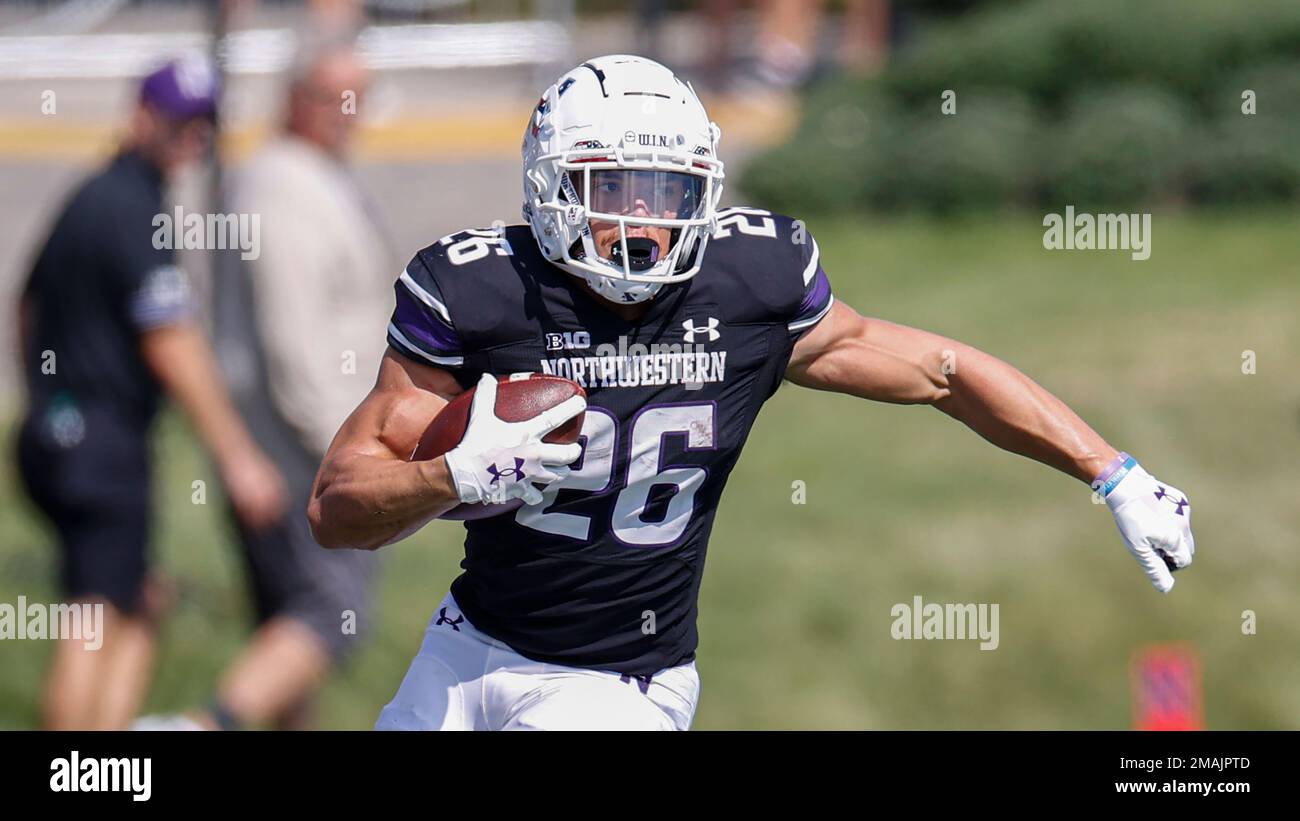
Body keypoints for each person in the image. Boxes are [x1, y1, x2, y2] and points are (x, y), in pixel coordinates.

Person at [308, 55, 1197, 730]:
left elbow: (942, 373)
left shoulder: (747, 284)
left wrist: (1110, 469)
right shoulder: (480, 289)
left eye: (668, 191)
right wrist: (454, 476)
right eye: (614, 188)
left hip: (617, 683)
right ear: (551, 183)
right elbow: (336, 504)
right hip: (467, 642)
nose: (645, 224)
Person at [15, 57, 286, 730]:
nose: (191, 141)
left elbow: (23, 306)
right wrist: (237, 455)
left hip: (58, 436)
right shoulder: (132, 206)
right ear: (141, 117)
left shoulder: (92, 196)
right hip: (100, 447)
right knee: (97, 613)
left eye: (202, 129)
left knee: (137, 598)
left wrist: (47, 395)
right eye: (178, 125)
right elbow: (171, 341)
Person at [138, 34, 390, 731]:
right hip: (303, 447)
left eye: (359, 100)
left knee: (288, 619)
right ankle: (196, 725)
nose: (349, 113)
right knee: (330, 616)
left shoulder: (304, 175)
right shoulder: (284, 186)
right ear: (297, 98)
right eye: (336, 98)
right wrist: (354, 447)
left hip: (285, 441)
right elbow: (294, 340)